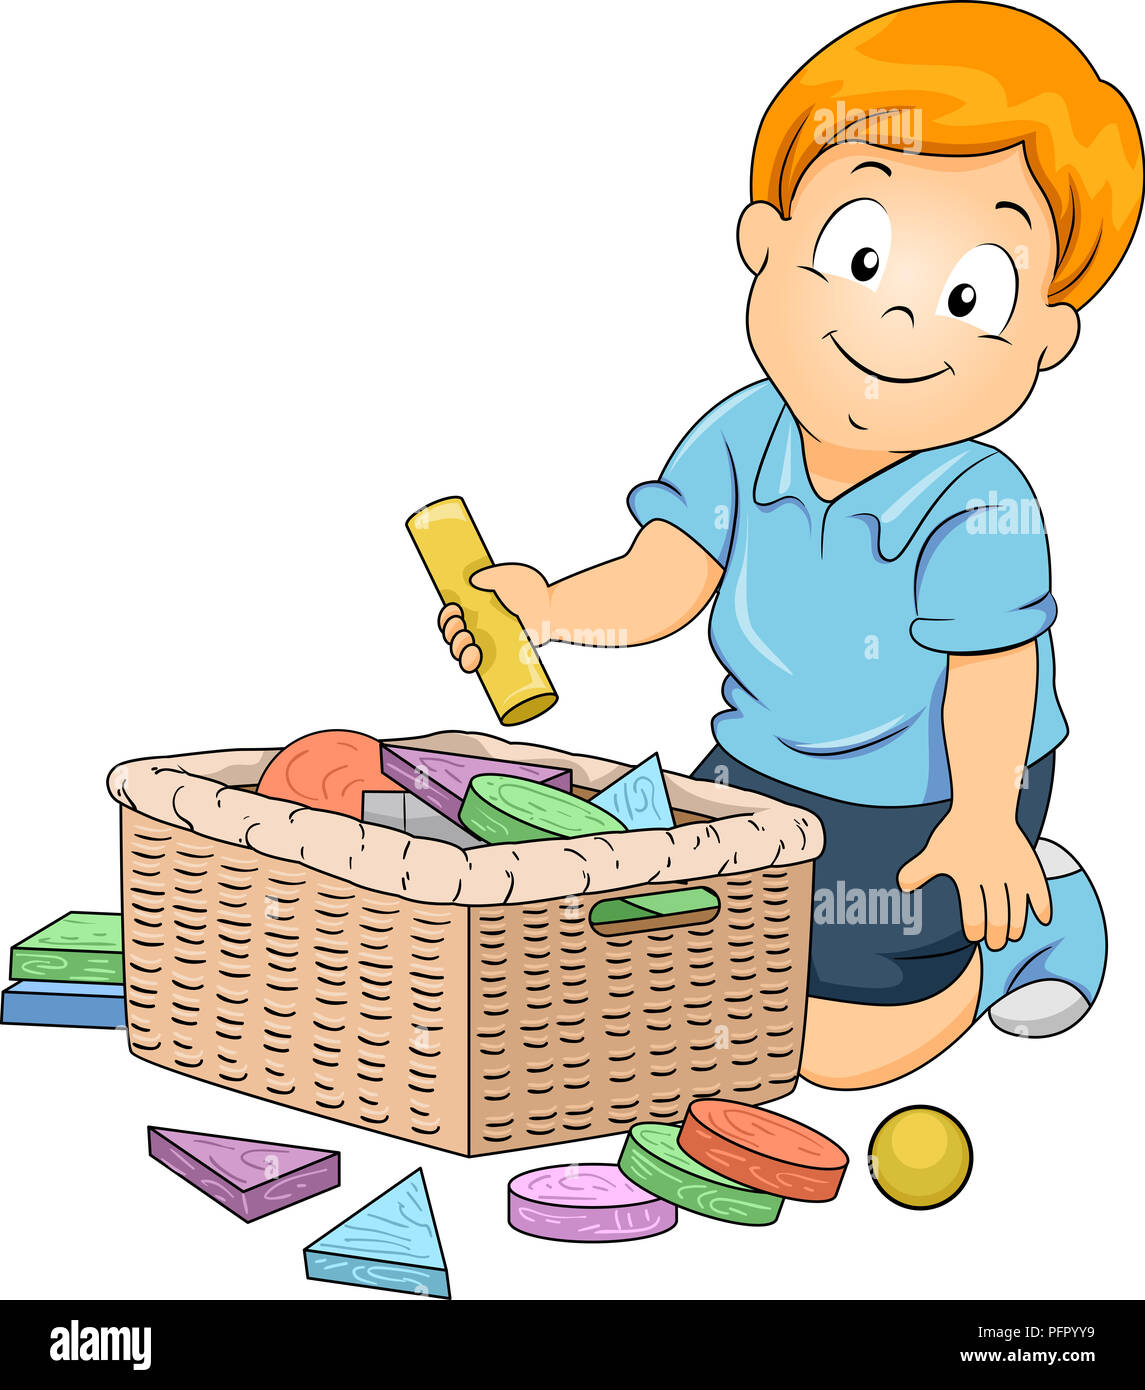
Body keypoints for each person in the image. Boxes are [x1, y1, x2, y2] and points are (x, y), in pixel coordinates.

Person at [434, 3, 1141, 1087]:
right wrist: (544, 612)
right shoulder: (738, 432)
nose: (898, 321)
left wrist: (985, 817)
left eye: (969, 294)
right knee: (689, 1002)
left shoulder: (977, 498)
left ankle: (1033, 916)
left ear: (1043, 335)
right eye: (858, 254)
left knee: (841, 1059)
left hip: (939, 793)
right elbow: (662, 578)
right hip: (758, 769)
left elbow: (991, 670)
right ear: (764, 245)